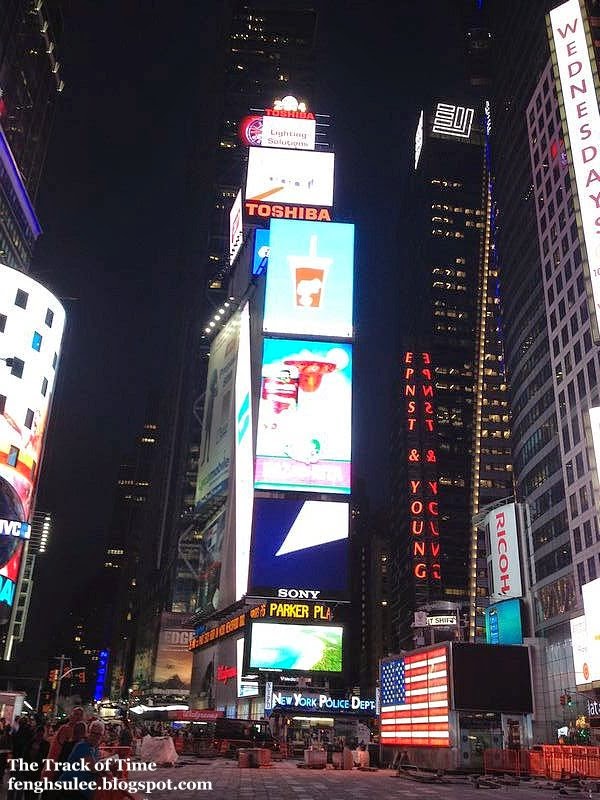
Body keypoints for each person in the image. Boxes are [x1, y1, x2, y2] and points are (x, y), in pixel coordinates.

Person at [57, 720, 105, 799]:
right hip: (71, 789)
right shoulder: (83, 746)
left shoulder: (95, 748)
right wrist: (109, 764)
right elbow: (92, 768)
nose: (95, 737)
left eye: (98, 734)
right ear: (88, 732)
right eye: (93, 733)